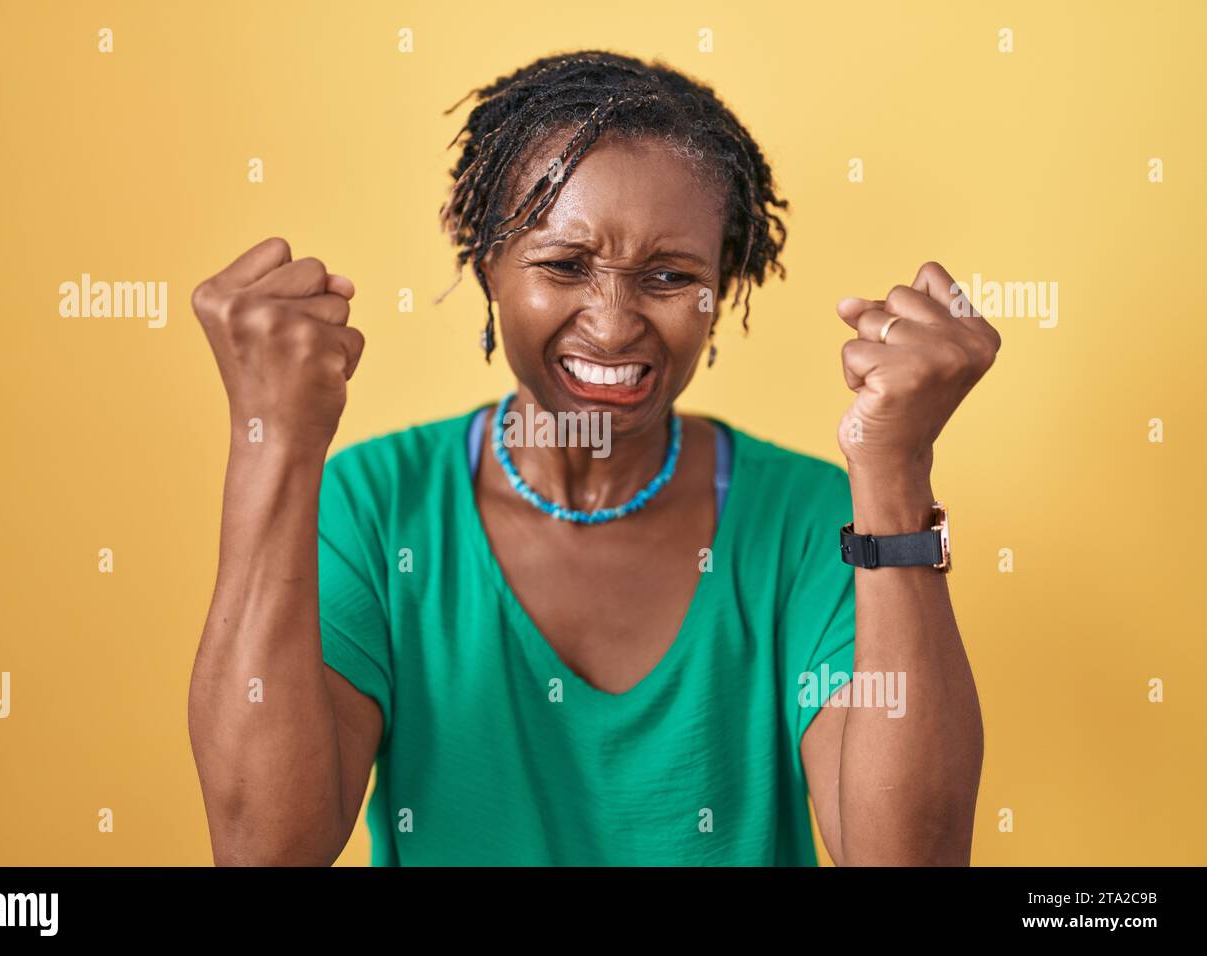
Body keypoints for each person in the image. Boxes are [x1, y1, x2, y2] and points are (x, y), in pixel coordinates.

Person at [187, 50, 995, 866]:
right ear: (485, 264)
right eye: (564, 266)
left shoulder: (810, 524)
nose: (612, 327)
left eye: (669, 276)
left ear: (726, 287)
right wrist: (275, 442)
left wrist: (896, 467)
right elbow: (265, 851)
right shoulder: (375, 508)